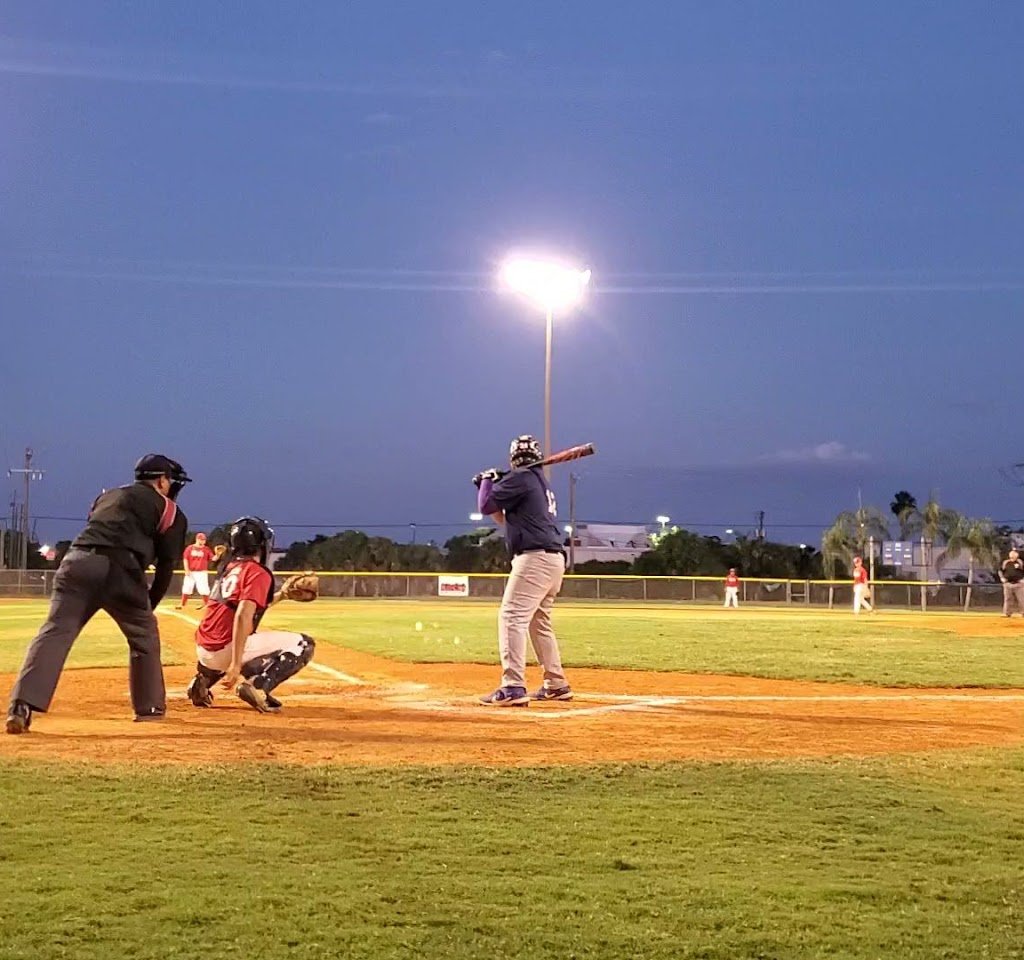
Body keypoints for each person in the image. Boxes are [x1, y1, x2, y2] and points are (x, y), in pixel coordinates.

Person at [6, 454, 190, 733]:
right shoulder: (170, 510)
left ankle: (21, 705)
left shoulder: (108, 496)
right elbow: (167, 565)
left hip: (75, 563)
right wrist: (147, 605)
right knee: (144, 637)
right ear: (162, 480)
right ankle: (149, 708)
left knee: (55, 632)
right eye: (170, 481)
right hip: (122, 569)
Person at [473, 435, 571, 706]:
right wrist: (486, 485)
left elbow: (484, 505)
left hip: (534, 559)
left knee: (511, 617)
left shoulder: (521, 478)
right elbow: (499, 514)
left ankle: (513, 685)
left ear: (513, 458)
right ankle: (556, 683)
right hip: (552, 560)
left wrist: (486, 482)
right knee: (539, 622)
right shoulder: (537, 482)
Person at [186, 517, 315, 714]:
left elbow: (240, 606)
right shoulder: (257, 572)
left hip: (203, 650)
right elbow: (243, 616)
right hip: (226, 651)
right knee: (304, 644)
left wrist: (282, 595)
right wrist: (236, 665)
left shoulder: (228, 567)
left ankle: (202, 681)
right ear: (260, 544)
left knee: (236, 638)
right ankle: (259, 686)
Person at [178, 532, 216, 608]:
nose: (203, 541)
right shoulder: (189, 548)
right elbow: (185, 559)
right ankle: (182, 604)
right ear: (197, 539)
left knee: (204, 588)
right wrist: (186, 569)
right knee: (187, 587)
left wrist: (217, 555)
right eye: (201, 540)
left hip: (202, 572)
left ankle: (207, 604)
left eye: (204, 540)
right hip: (191, 571)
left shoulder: (206, 549)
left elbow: (213, 559)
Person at [999, 549, 1024, 617]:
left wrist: (1020, 568)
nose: (1012, 556)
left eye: (1014, 554)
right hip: (1008, 584)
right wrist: (1002, 578)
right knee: (1008, 599)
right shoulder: (1006, 562)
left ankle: (1023, 613)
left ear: (1017, 556)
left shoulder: (1020, 562)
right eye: (1011, 554)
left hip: (1019, 584)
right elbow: (1000, 571)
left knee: (1021, 599)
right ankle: (1007, 613)